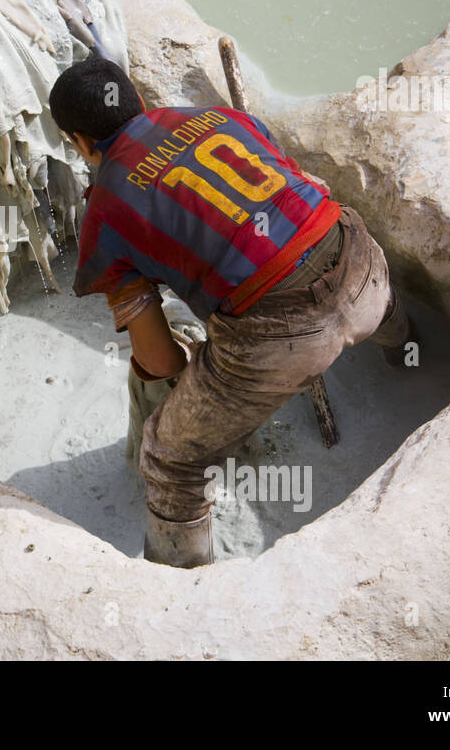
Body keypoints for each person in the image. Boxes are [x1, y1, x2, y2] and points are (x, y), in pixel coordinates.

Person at [48, 54, 415, 568]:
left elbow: (160, 362)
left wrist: (199, 362)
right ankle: (407, 352)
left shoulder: (106, 211)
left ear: (80, 143)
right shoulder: (220, 119)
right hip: (363, 268)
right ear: (140, 102)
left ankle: (181, 589)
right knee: (370, 300)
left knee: (170, 459)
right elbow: (305, 195)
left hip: (280, 338)